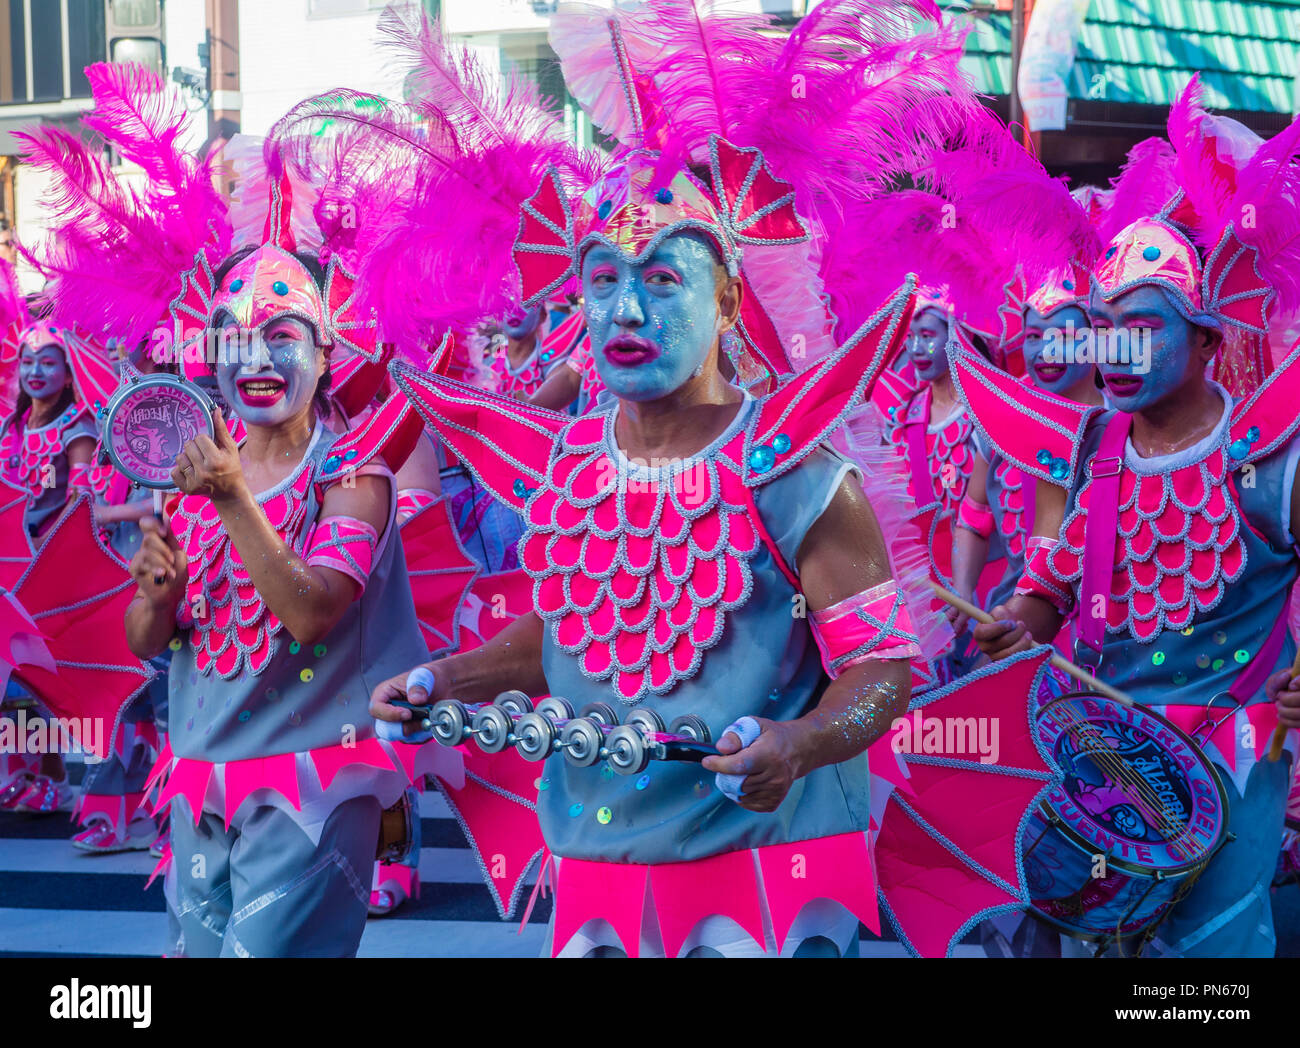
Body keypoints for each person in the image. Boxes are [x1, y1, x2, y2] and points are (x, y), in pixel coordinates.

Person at [969, 79, 1300, 957]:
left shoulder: (1266, 458)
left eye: (1143, 329)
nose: (1114, 352)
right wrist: (1019, 620)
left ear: (1204, 341)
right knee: (1076, 935)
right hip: (1103, 756)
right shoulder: (1091, 449)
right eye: (1102, 329)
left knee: (1206, 959)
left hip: (1231, 760)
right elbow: (1055, 578)